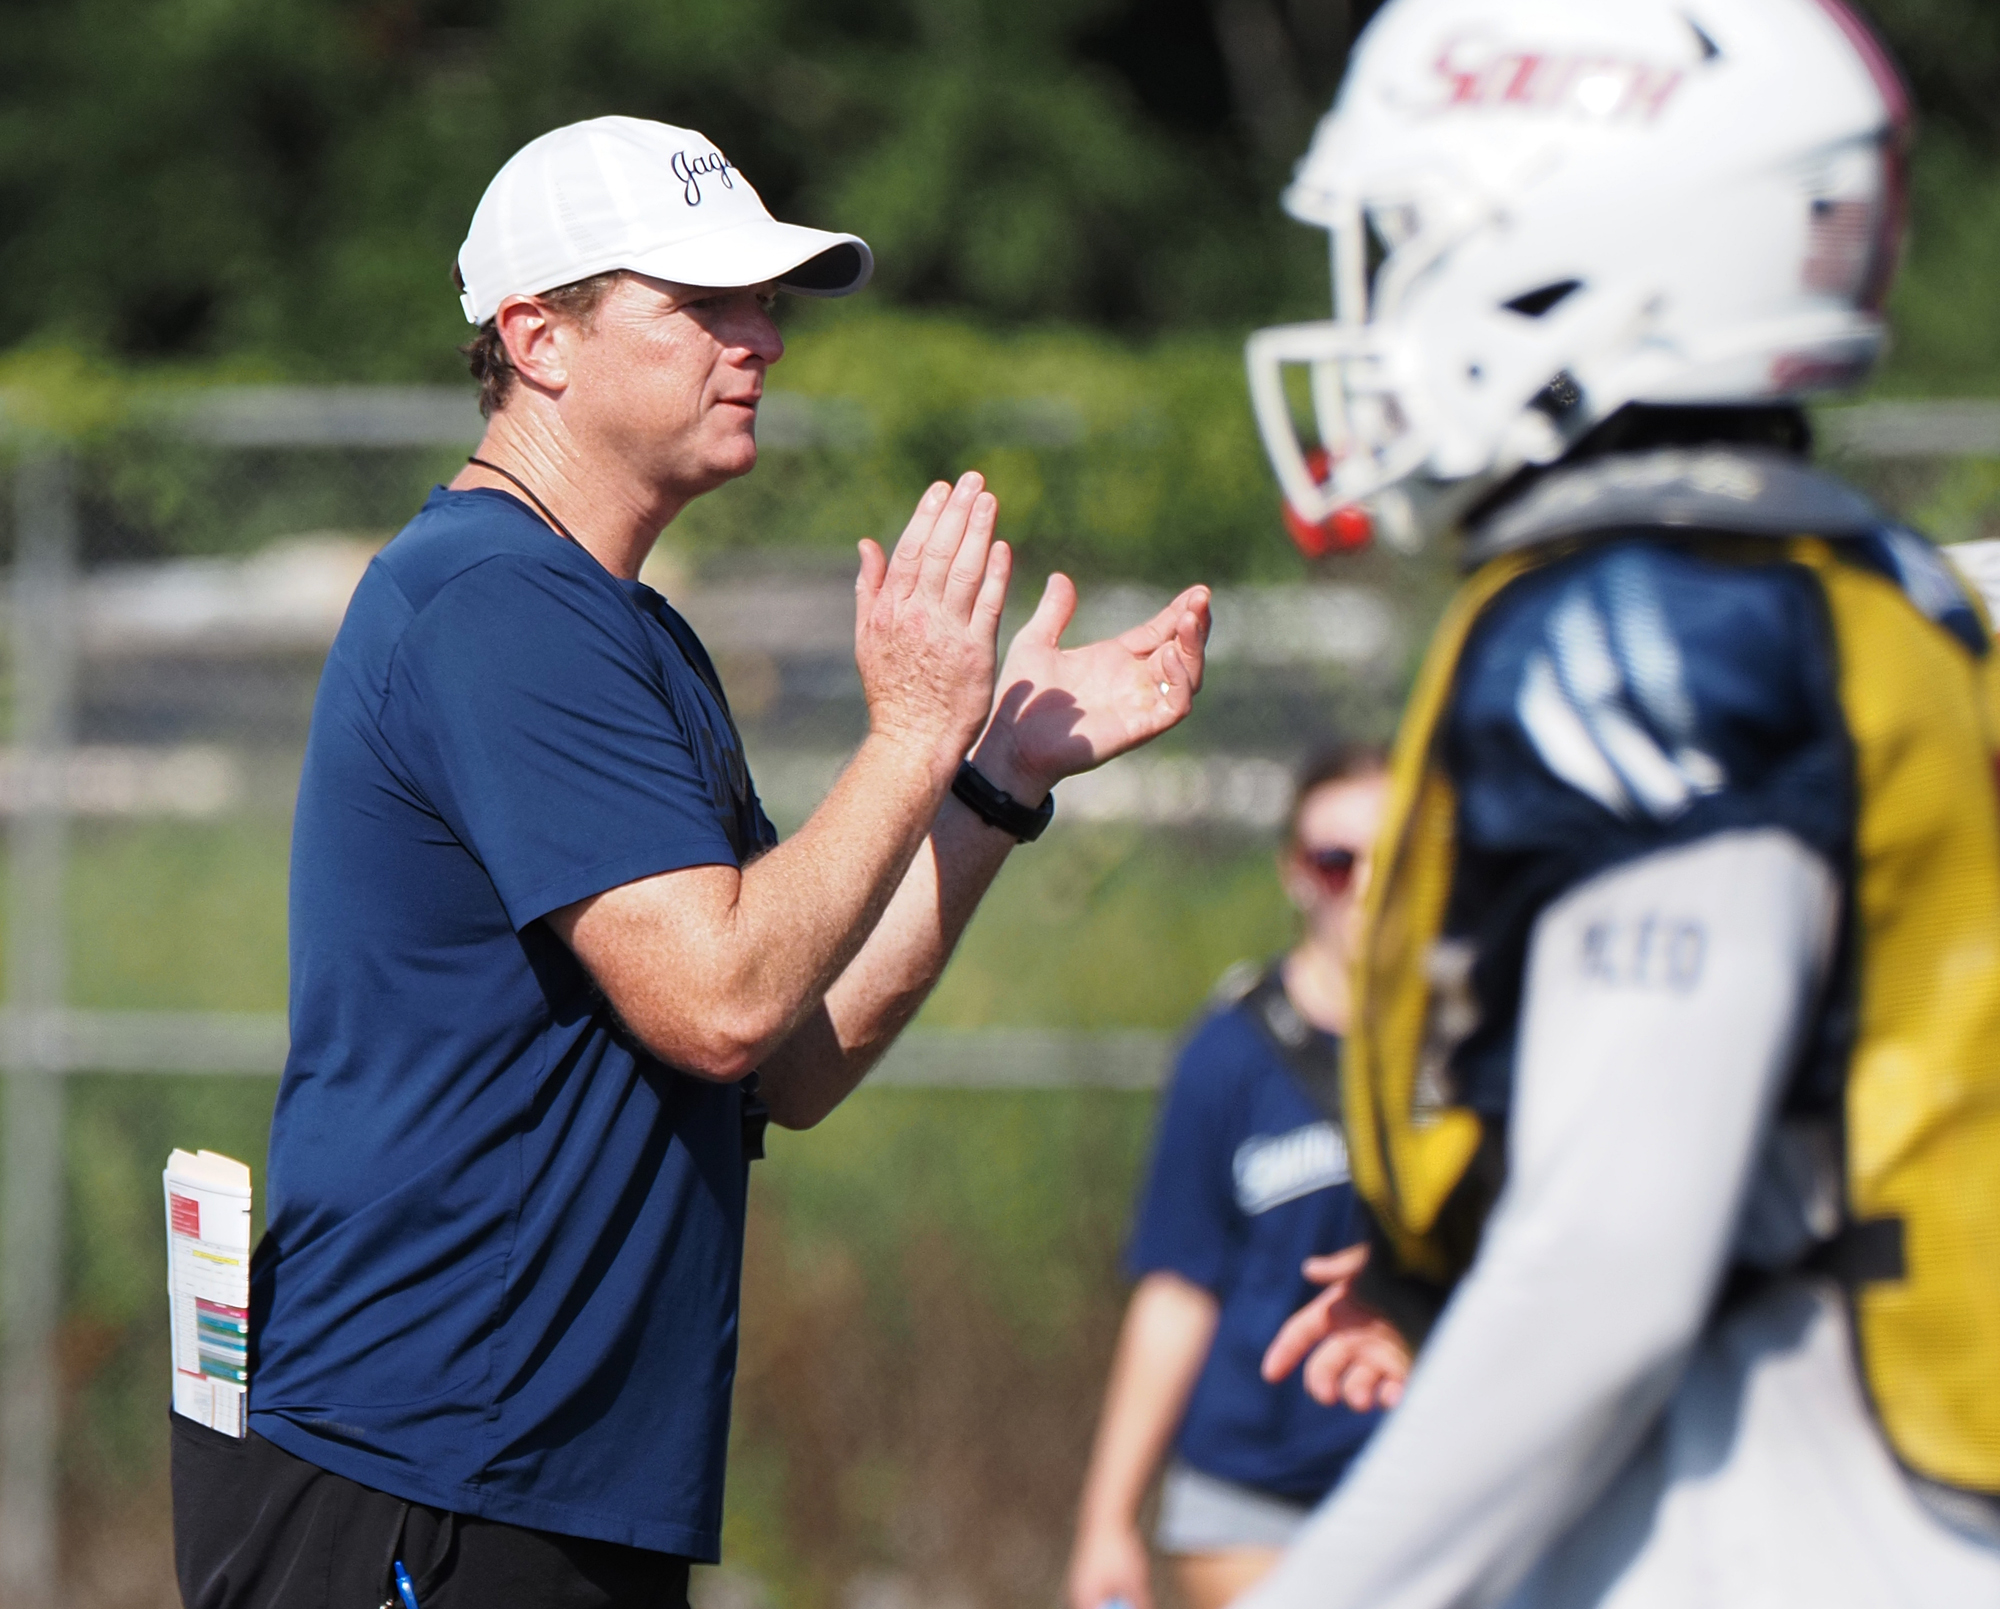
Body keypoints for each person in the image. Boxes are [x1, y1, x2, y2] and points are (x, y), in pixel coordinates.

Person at [170, 115, 1212, 1609]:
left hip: (545, 1477)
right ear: (538, 338)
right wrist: (914, 736)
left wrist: (989, 781)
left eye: (766, 302)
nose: (760, 342)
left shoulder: (622, 626)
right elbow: (714, 996)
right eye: (701, 302)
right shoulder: (493, 604)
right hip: (425, 1469)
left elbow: (783, 1052)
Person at [1231, 1, 2000, 1606]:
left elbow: (1613, 1266)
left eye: (1417, 235)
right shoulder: (1825, 575)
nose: (1376, 302)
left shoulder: (1653, 617)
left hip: (1785, 1530)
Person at [1066, 748, 1389, 1609]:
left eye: (1392, 858)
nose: (1362, 886)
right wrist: (1108, 1518)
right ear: (1295, 874)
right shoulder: (1229, 1054)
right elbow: (1177, 1291)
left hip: (1430, 1478)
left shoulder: (1473, 1050)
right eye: (1335, 860)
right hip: (1252, 1490)